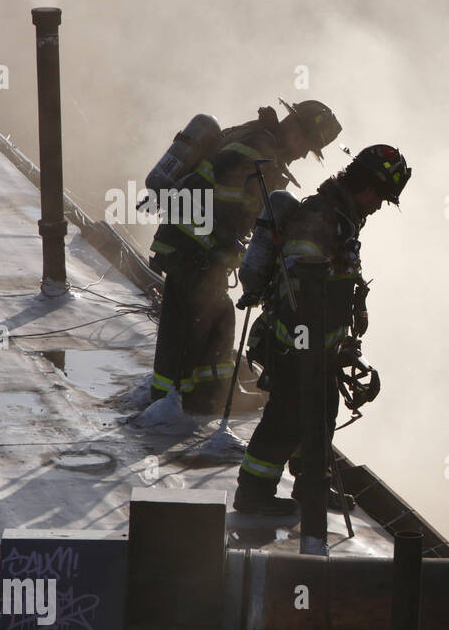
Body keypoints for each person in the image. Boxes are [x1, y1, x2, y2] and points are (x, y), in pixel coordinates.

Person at [234, 144, 410, 515]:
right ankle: (252, 494)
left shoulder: (342, 217)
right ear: (365, 186)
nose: (378, 206)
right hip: (296, 342)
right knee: (286, 416)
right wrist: (312, 345)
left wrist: (339, 342)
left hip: (318, 345)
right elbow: (301, 285)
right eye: (379, 197)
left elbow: (335, 285)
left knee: (322, 409)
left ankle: (312, 488)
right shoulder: (322, 216)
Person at [146, 100, 341, 413]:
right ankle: (194, 399)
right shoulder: (259, 151)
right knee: (206, 321)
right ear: (292, 126)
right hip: (196, 248)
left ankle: (182, 395)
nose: (304, 153)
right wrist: (234, 240)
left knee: (192, 321)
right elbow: (227, 200)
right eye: (306, 142)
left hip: (186, 244)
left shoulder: (257, 136)